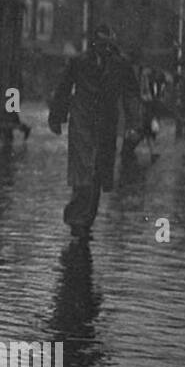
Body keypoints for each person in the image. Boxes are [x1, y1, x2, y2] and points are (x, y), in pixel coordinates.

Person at [47, 24, 142, 239]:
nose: (102, 48)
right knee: (83, 173)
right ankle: (77, 219)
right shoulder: (79, 62)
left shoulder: (120, 66)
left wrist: (134, 124)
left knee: (98, 173)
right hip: (82, 123)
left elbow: (131, 95)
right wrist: (56, 117)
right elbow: (64, 88)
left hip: (106, 125)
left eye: (106, 44)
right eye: (99, 44)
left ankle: (86, 219)